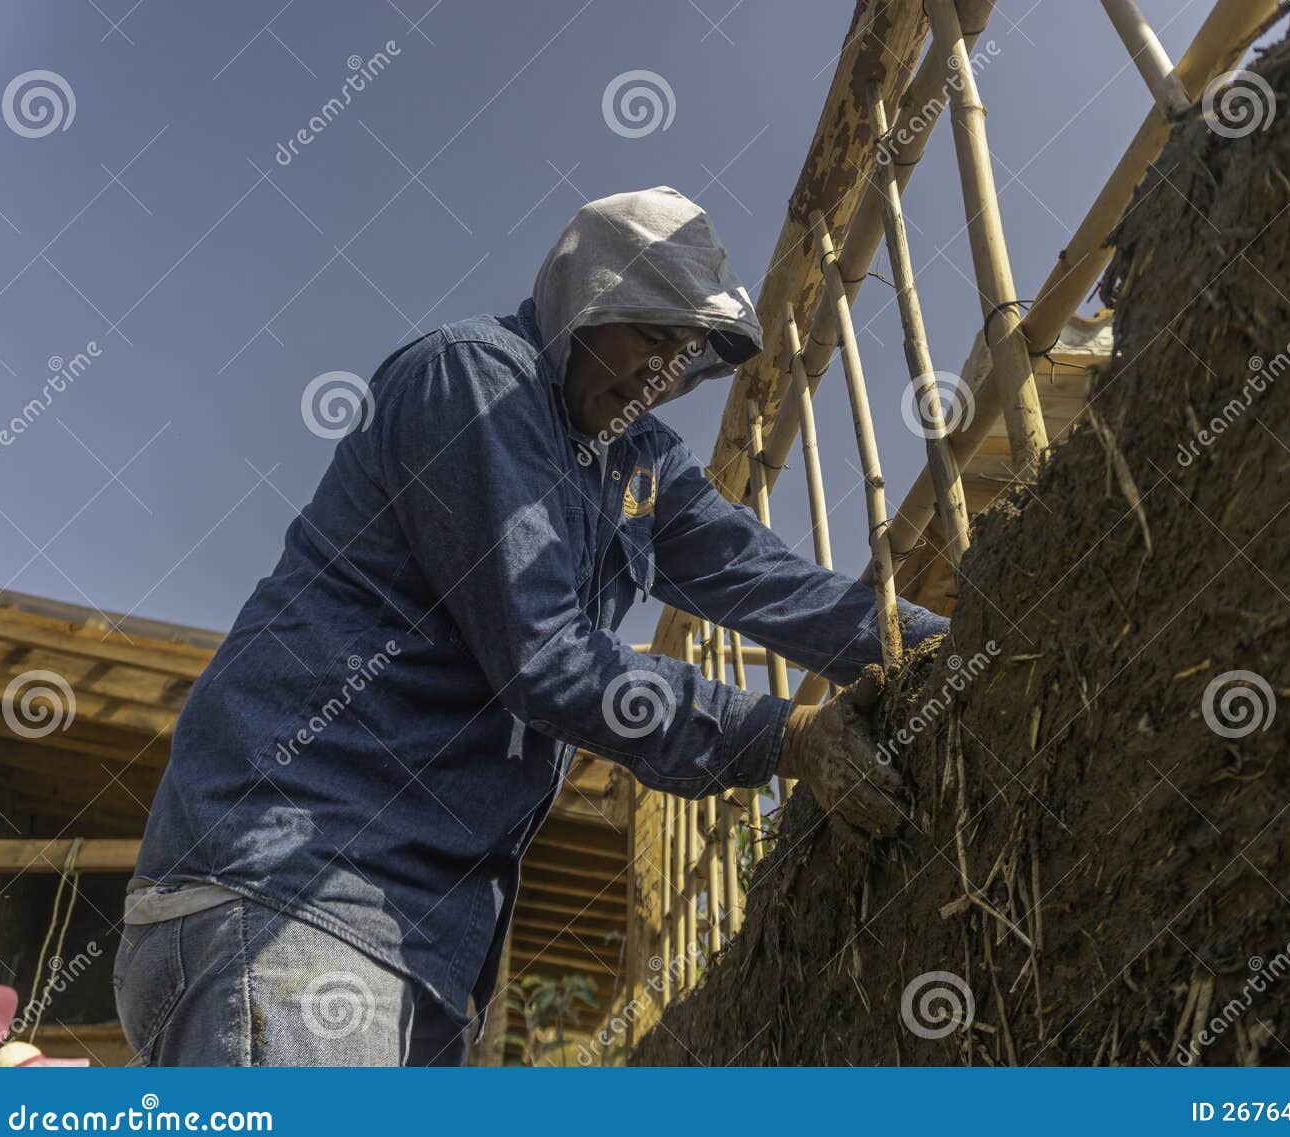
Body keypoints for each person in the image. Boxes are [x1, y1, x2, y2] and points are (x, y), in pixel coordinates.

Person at [113, 186, 948, 1066]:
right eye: (647, 336)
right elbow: (545, 655)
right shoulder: (476, 381)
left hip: (422, 945)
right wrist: (787, 734)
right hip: (295, 884)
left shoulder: (642, 464)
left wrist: (948, 647)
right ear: (581, 300)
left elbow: (770, 583)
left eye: (686, 354)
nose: (659, 376)